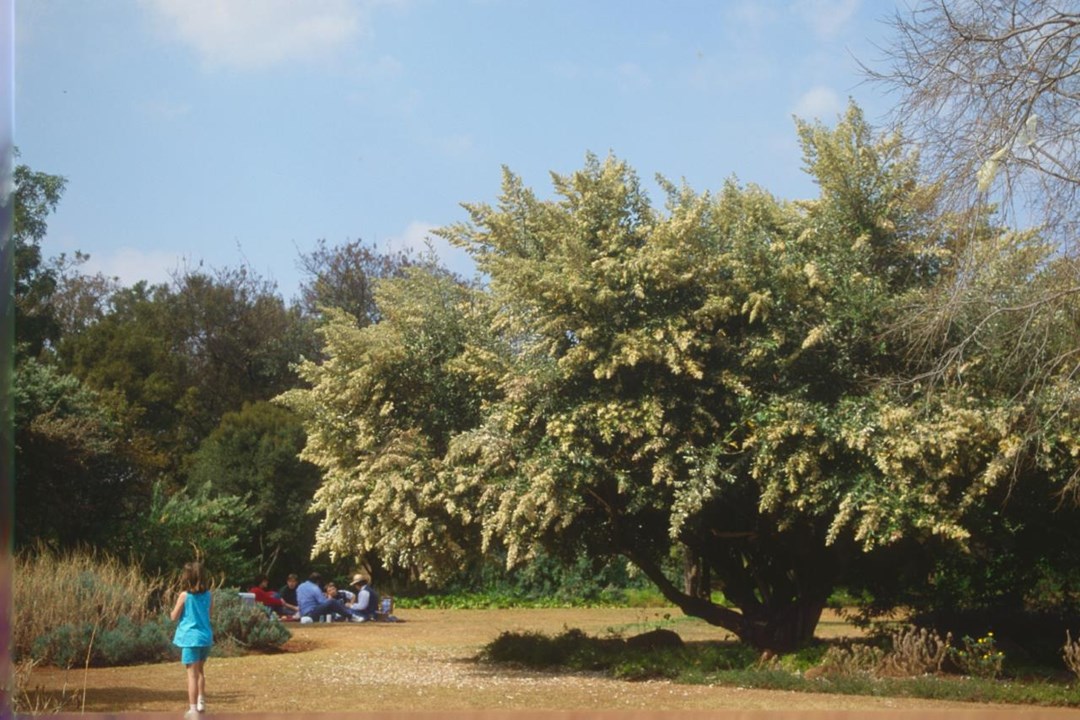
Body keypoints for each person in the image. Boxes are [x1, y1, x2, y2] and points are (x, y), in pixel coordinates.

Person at [171, 561, 213, 719]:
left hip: (190, 639)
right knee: (201, 671)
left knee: (192, 675)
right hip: (205, 637)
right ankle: (201, 701)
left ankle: (193, 709)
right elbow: (209, 615)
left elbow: (174, 616)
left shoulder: (184, 595)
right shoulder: (209, 595)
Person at [296, 572, 361, 623]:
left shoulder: (300, 587)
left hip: (303, 614)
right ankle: (351, 616)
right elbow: (322, 602)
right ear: (318, 581)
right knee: (332, 602)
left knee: (331, 605)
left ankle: (341, 616)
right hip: (312, 613)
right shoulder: (315, 588)